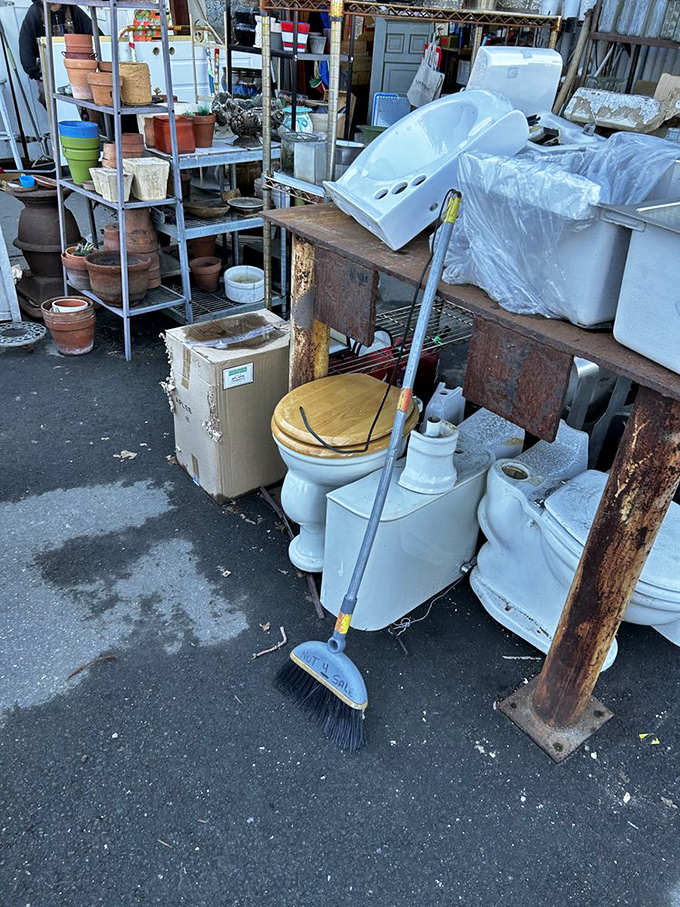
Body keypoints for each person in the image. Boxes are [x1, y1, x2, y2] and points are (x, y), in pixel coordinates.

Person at [19, 0, 95, 107]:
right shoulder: (34, 13)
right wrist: (36, 73)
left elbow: (97, 36)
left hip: (75, 68)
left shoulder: (73, 10)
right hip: (47, 72)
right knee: (46, 94)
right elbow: (25, 45)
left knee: (88, 96)